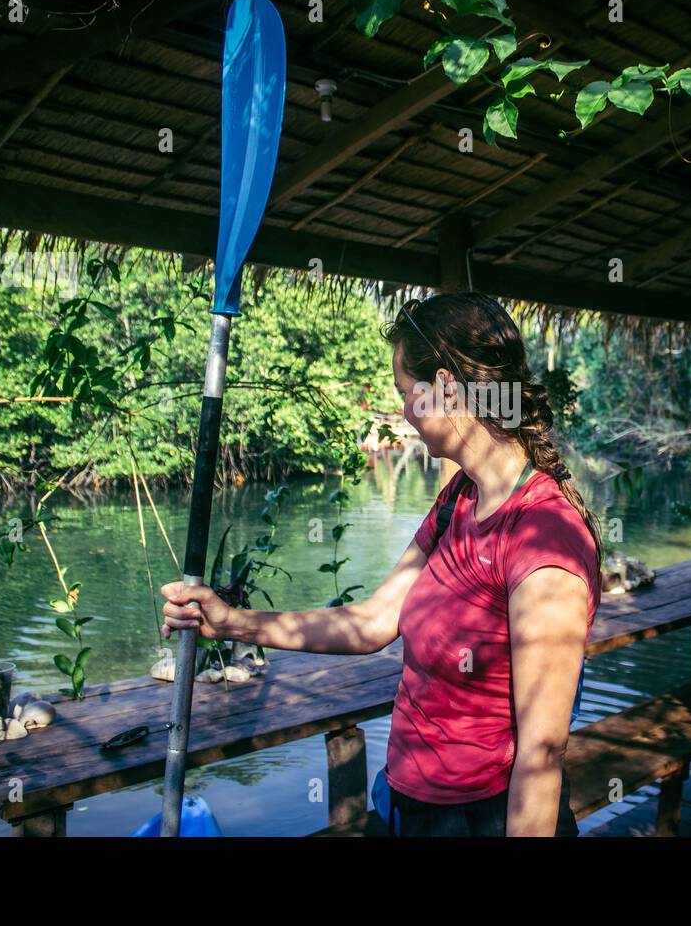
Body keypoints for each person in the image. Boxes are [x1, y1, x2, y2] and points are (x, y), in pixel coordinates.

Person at [161, 294, 602, 837]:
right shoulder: (459, 500)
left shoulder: (544, 537)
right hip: (406, 806)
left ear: (443, 386)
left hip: (479, 821)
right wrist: (231, 622)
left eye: (403, 393)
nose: (402, 411)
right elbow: (372, 622)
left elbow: (542, 753)